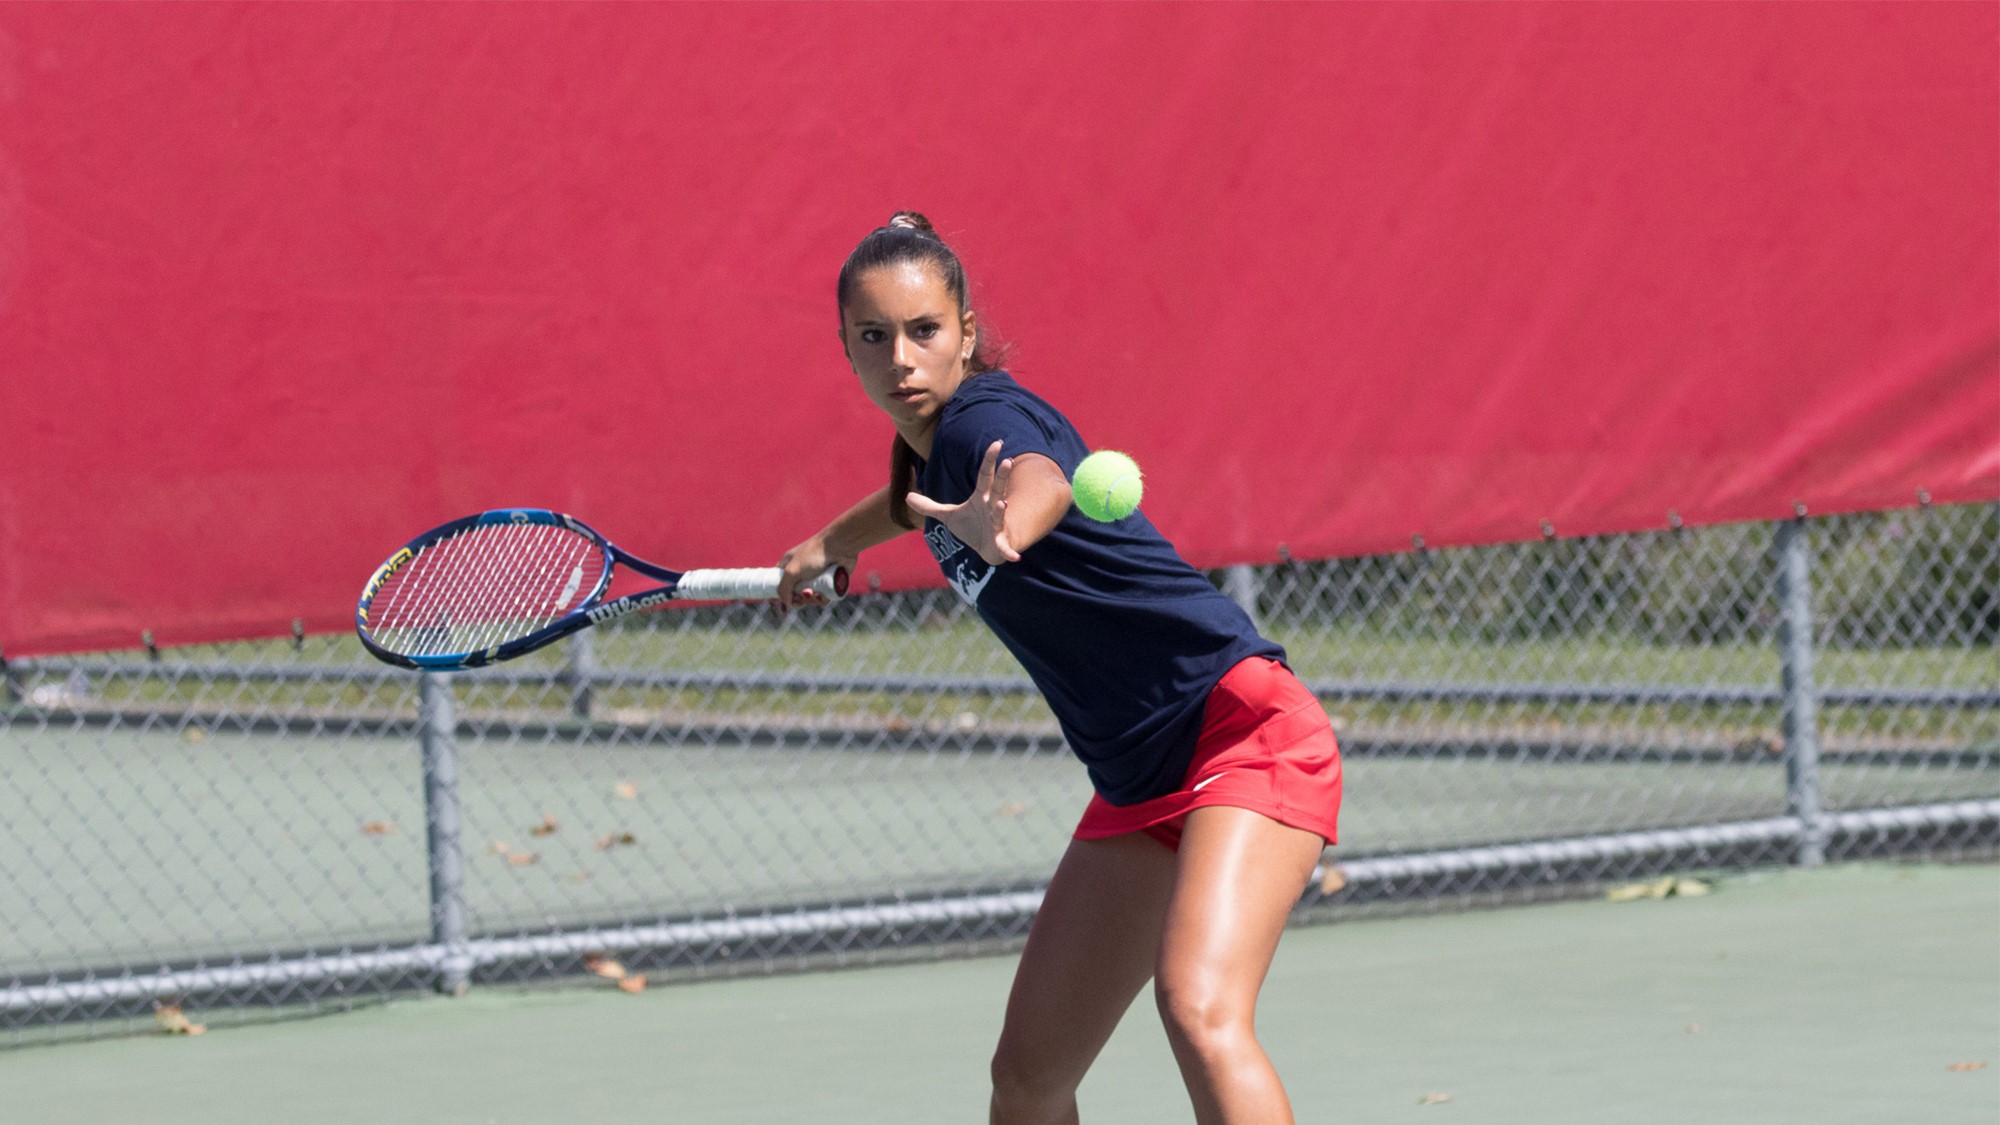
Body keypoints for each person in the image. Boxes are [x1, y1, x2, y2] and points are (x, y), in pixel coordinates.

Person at [777, 212, 1343, 1125]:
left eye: (925, 331)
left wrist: (1008, 527)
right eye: (873, 338)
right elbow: (904, 504)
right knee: (1030, 1075)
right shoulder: (925, 453)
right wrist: (826, 544)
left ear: (966, 331)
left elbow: (1032, 479)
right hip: (1137, 775)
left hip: (1242, 730)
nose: (902, 359)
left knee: (1200, 1009)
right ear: (846, 351)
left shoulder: (983, 423)